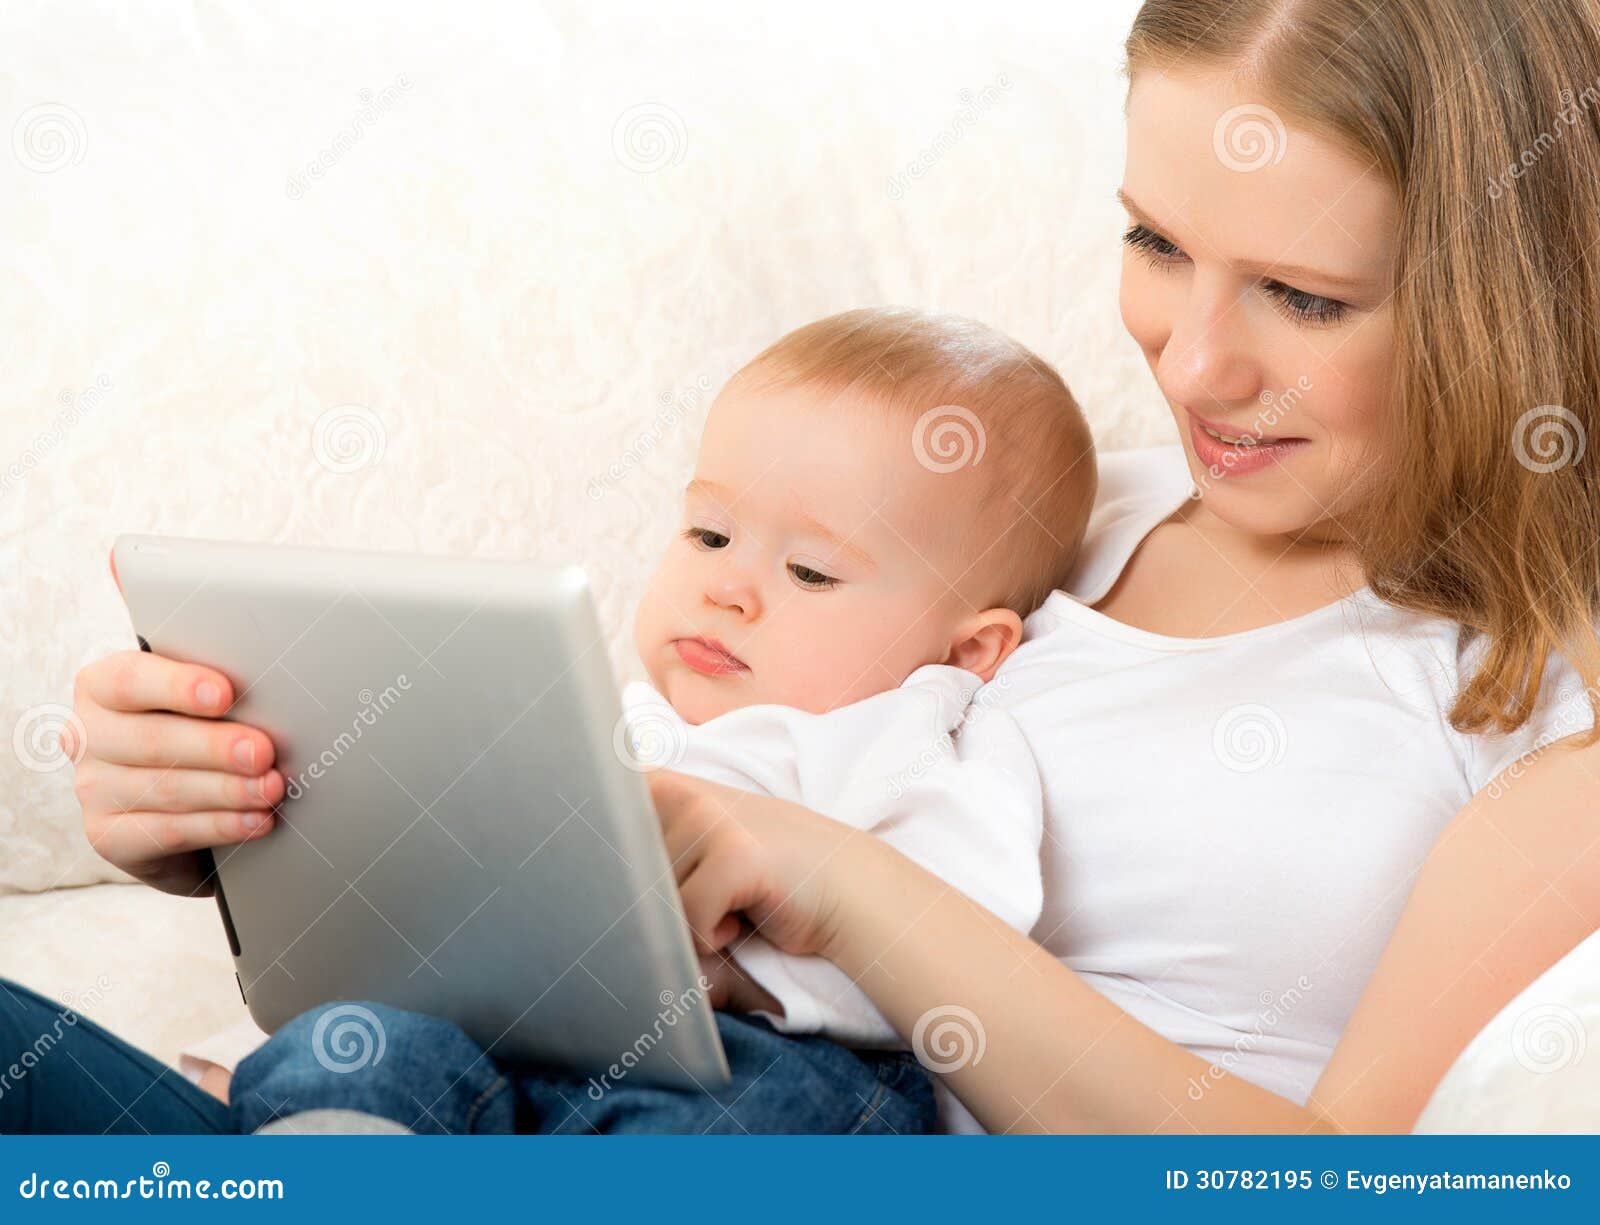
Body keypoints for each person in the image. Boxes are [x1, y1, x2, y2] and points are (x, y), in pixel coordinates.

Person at [9, 0, 1600, 1134]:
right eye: (1156, 244)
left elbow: (1355, 1191)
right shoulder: (1030, 508)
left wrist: (844, 886)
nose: (1189, 367)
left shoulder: (1540, 710)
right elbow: (659, 771)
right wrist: (250, 813)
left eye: (1304, 300)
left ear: (1508, 293)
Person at [193, 306, 1095, 1134]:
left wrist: (759, 978)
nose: (726, 588)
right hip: (521, 1032)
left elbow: (964, 938)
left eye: (811, 572)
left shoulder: (923, 738)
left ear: (969, 650)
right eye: (709, 534)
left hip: (764, 1059)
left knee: (757, 1122)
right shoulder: (607, 715)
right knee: (356, 1042)